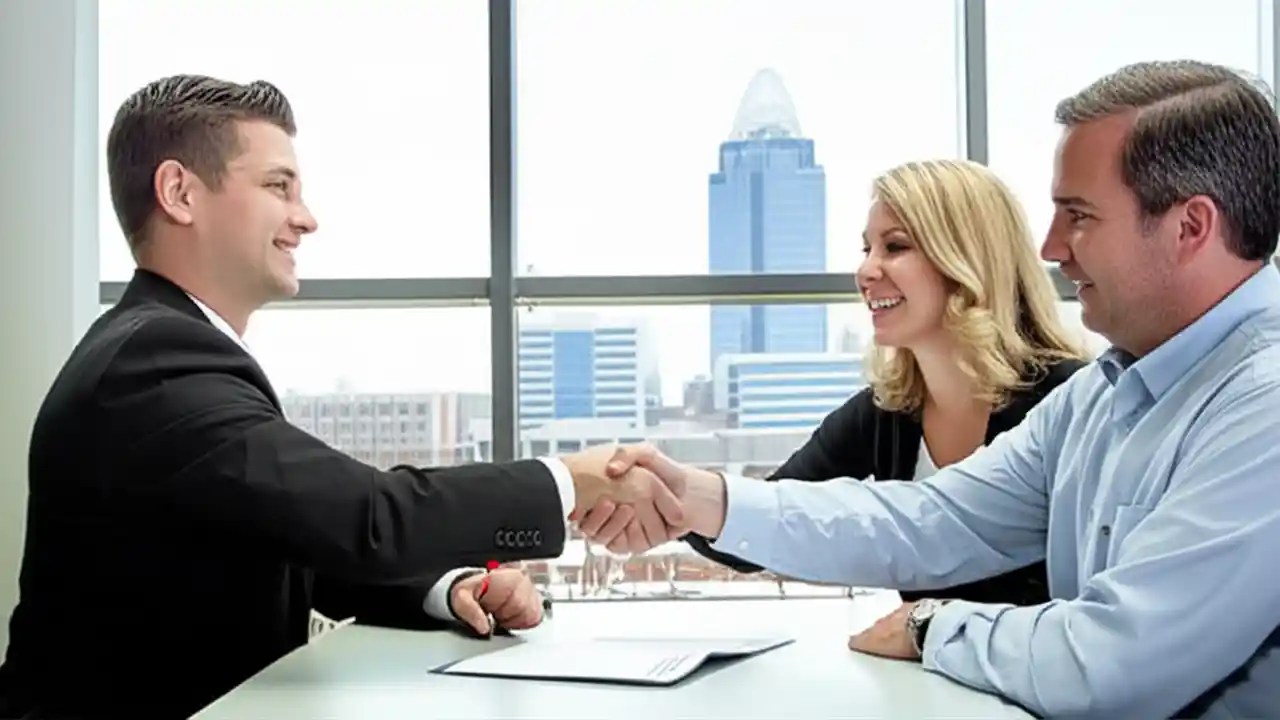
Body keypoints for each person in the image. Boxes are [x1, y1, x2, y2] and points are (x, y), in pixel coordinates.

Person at [588, 60, 1280, 718]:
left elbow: (1112, 665)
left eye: (1080, 215)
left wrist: (933, 624)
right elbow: (929, 520)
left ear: (1191, 226)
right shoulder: (1102, 397)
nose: (1050, 247)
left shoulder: (1263, 405)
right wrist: (696, 496)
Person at [0, 74, 682, 720]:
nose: (307, 219)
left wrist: (447, 590)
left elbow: (294, 540)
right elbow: (366, 516)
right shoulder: (151, 365)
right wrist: (570, 480)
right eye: (278, 186)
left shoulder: (161, 348)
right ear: (179, 193)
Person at [677, 158, 1089, 607]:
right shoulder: (885, 410)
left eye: (894, 247)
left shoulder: (1073, 402)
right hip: (928, 678)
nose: (866, 272)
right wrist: (667, 500)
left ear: (966, 259)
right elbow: (764, 523)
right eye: (867, 250)